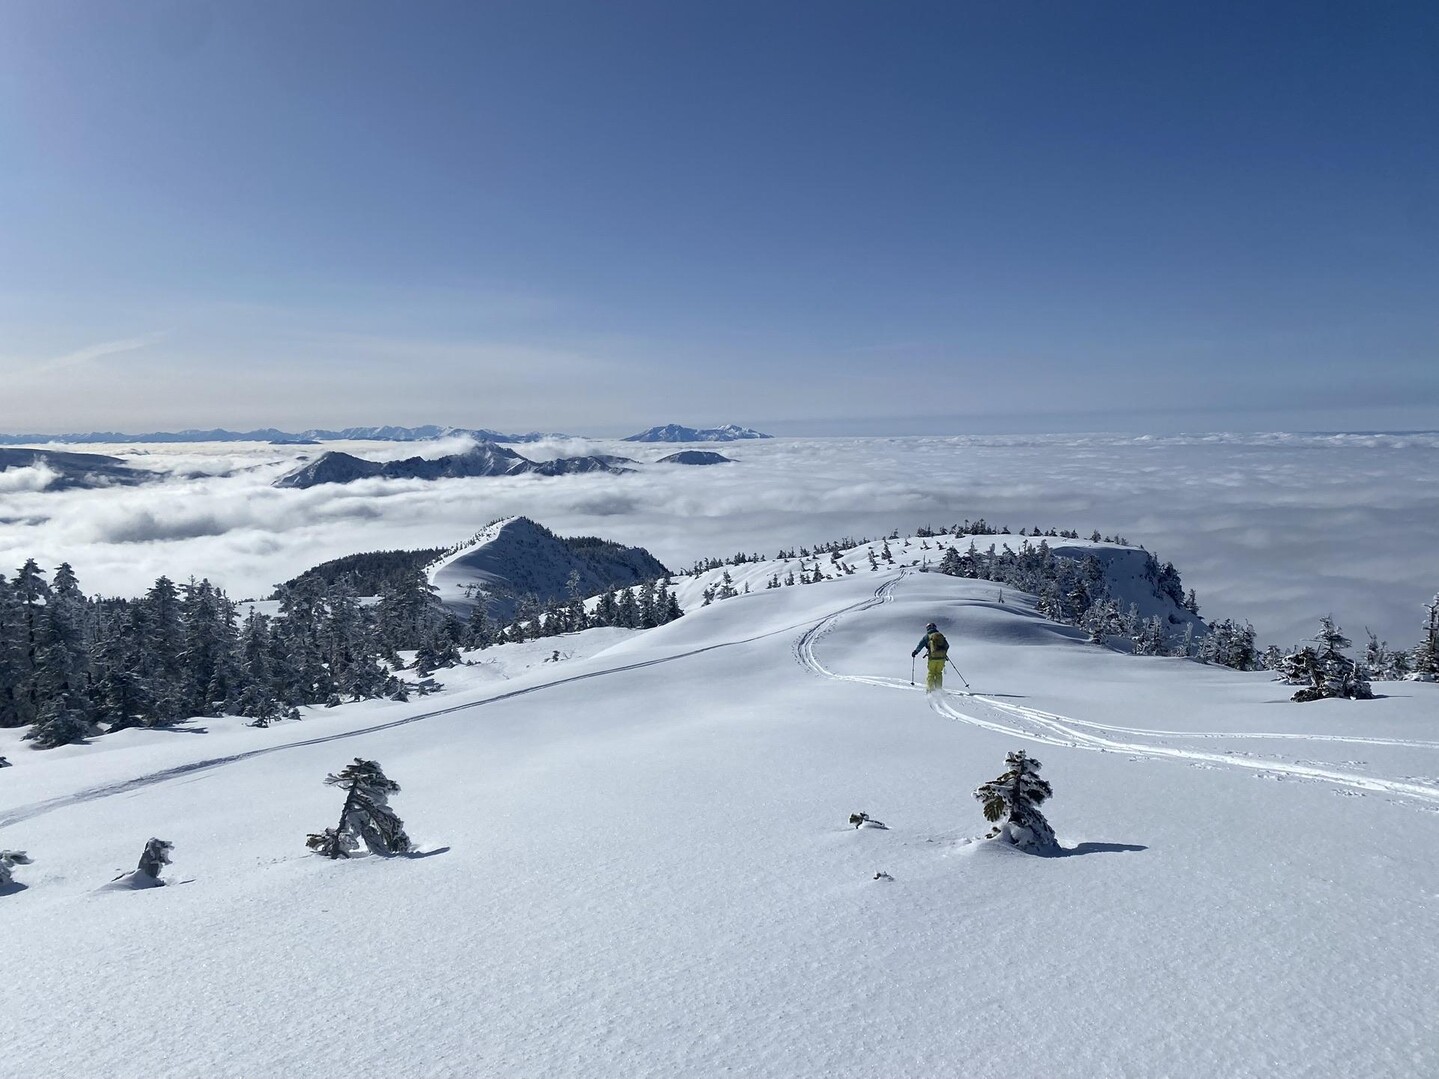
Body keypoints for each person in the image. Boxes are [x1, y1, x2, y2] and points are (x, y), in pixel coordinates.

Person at [911, 621, 949, 692]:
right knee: (939, 673)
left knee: (931, 673)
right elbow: (947, 646)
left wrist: (915, 652)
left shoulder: (927, 636)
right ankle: (938, 689)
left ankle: (930, 689)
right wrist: (944, 653)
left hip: (932, 658)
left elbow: (920, 646)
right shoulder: (941, 635)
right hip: (941, 658)